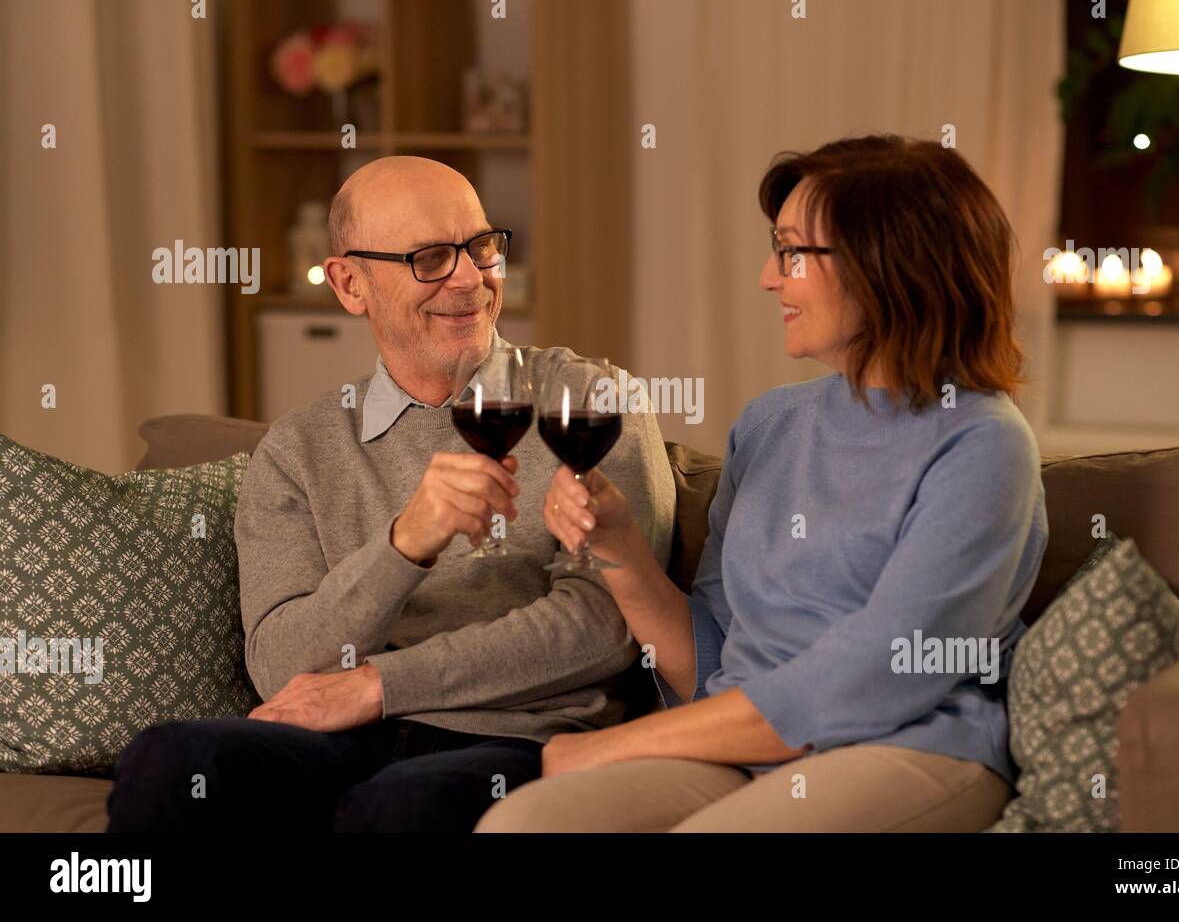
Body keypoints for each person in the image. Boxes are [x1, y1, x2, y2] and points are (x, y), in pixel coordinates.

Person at [476, 134, 1049, 833]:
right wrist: (618, 544)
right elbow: (713, 664)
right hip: (744, 750)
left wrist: (618, 744)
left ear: (886, 263)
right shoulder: (771, 424)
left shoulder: (981, 442)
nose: (767, 278)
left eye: (791, 252)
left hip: (906, 746)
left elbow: (881, 672)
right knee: (522, 824)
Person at [106, 156, 675, 832]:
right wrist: (404, 545)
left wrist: (380, 686)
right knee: (172, 758)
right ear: (350, 283)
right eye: (431, 257)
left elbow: (606, 627)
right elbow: (282, 663)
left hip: (514, 741)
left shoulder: (587, 402)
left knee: (401, 807)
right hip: (336, 742)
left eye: (481, 247)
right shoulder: (298, 450)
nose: (469, 278)